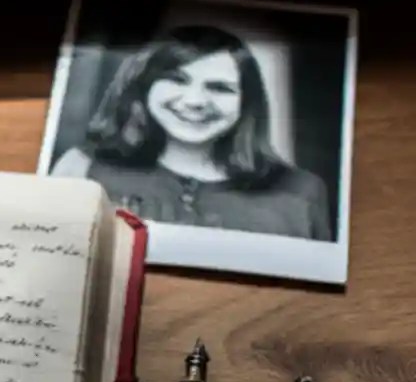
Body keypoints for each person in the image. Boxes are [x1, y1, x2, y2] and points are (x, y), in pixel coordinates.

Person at [51, 24, 333, 241]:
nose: (195, 101)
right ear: (144, 85)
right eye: (177, 80)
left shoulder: (302, 193)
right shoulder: (80, 169)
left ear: (247, 103)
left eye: (219, 88)